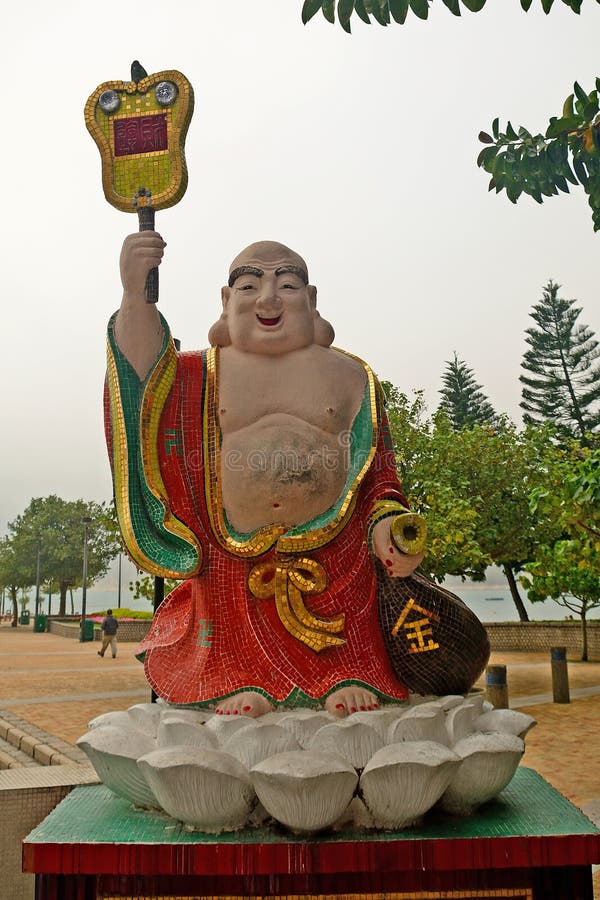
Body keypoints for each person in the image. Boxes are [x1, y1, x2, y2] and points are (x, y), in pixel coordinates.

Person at [105, 233, 427, 717]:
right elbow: (142, 382)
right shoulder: (200, 371)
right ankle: (234, 677)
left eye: (288, 285)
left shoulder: (351, 374)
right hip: (231, 549)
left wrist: (391, 525)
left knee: (344, 593)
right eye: (250, 285)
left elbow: (377, 472)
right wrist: (135, 293)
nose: (269, 299)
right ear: (226, 301)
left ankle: (347, 671)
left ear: (312, 300)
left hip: (334, 551)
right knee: (230, 603)